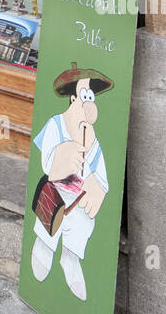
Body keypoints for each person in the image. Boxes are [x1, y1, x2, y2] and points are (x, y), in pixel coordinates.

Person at [30, 62, 112, 301]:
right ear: (73, 98)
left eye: (91, 96)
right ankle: (44, 247)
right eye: (84, 95)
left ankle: (70, 257)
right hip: (56, 191)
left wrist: (98, 186)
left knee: (82, 222)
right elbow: (47, 162)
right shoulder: (56, 124)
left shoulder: (92, 138)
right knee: (51, 218)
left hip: (79, 197)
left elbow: (100, 168)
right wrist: (62, 155)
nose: (88, 103)